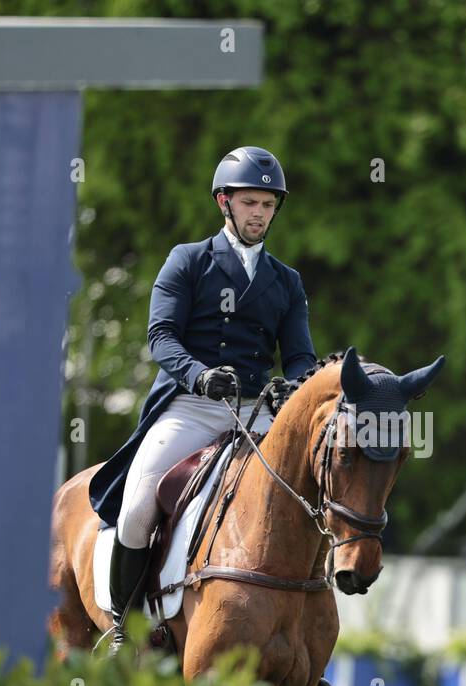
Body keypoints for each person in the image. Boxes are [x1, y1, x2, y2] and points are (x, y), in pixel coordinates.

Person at [87, 146, 319, 652]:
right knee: (138, 506)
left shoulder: (286, 281)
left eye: (268, 205)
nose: (260, 214)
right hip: (193, 406)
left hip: (256, 414)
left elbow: (301, 356)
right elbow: (161, 336)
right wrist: (198, 374)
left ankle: (297, 632)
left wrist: (294, 384)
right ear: (225, 203)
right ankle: (127, 628)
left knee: (301, 505)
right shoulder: (188, 260)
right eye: (250, 203)